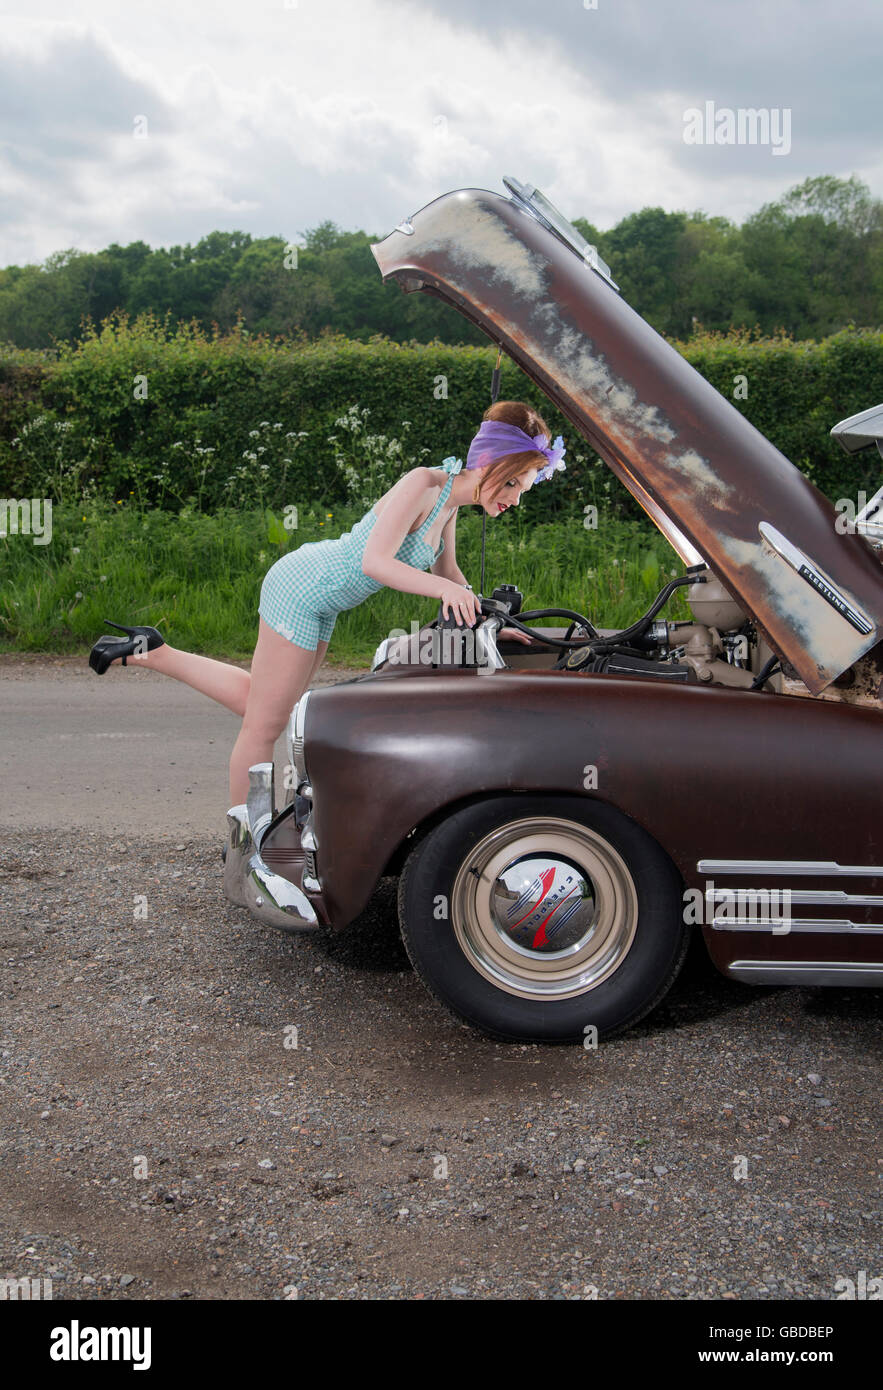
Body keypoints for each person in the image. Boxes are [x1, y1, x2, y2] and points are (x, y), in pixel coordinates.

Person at [88, 399, 565, 803]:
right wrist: (445, 590)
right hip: (302, 585)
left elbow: (450, 576)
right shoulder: (424, 484)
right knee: (263, 727)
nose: (516, 499)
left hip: (323, 602)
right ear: (489, 464)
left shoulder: (451, 507)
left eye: (524, 488)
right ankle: (243, 846)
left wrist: (489, 619)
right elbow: (375, 563)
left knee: (268, 704)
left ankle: (150, 649)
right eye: (513, 483)